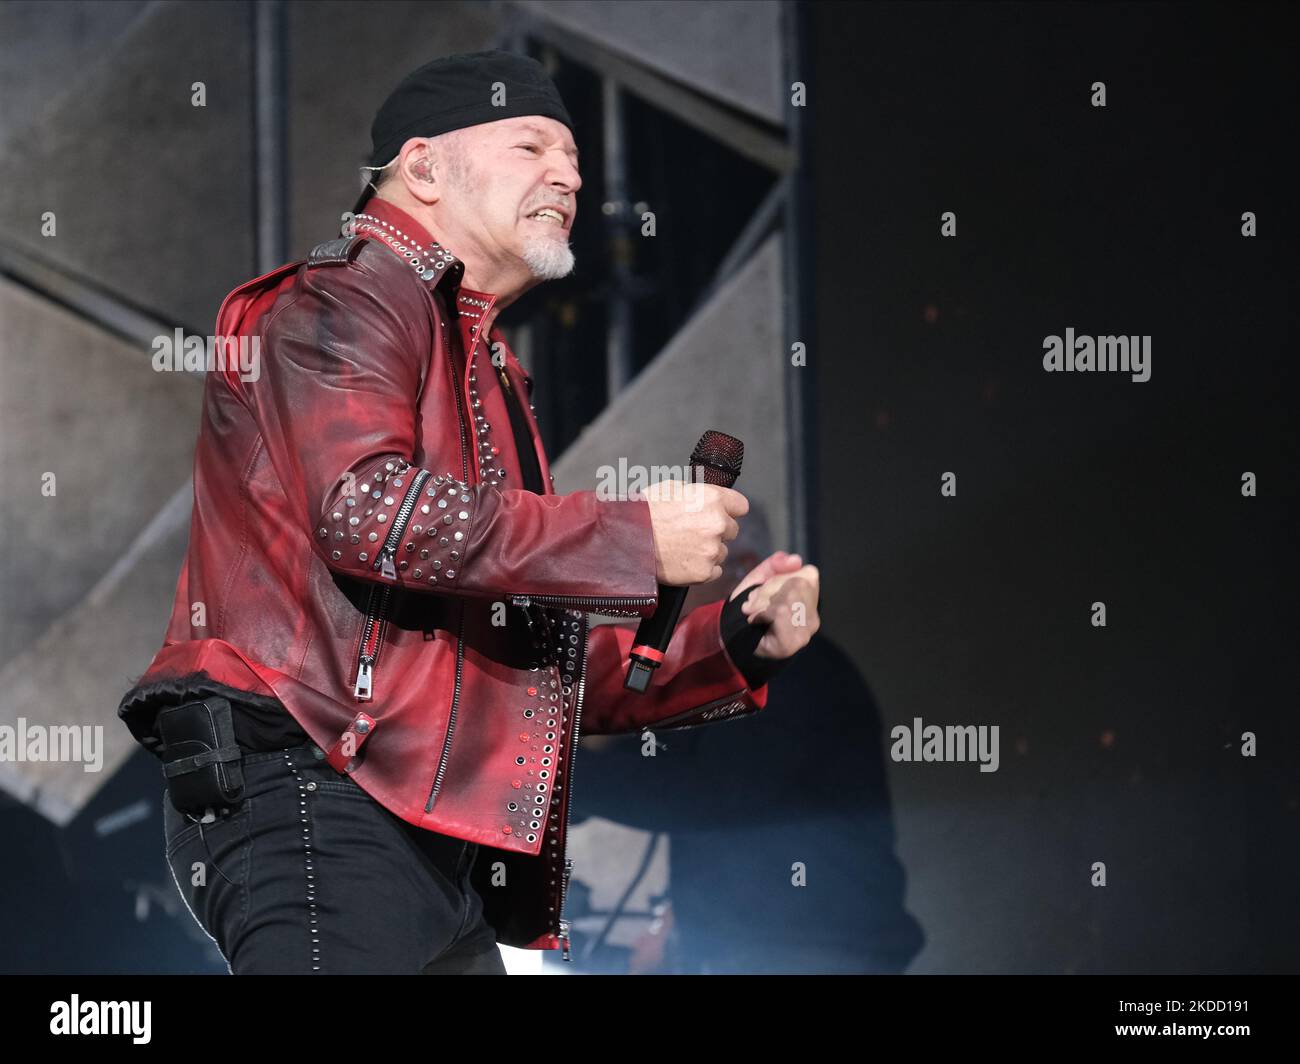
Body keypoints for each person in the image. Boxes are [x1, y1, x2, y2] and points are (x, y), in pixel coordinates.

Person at [117, 50, 821, 974]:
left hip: (424, 842)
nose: (569, 174)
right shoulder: (344, 298)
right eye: (532, 145)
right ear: (423, 169)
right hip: (317, 793)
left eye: (574, 156)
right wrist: (632, 534)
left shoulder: (486, 368)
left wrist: (729, 640)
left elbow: (528, 663)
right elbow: (365, 508)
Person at [572, 511, 924, 974]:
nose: (656, 601)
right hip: (753, 947)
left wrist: (565, 776)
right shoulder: (712, 680)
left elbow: (711, 794)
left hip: (811, 949)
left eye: (678, 578)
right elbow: (661, 771)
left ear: (744, 567)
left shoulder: (798, 670)